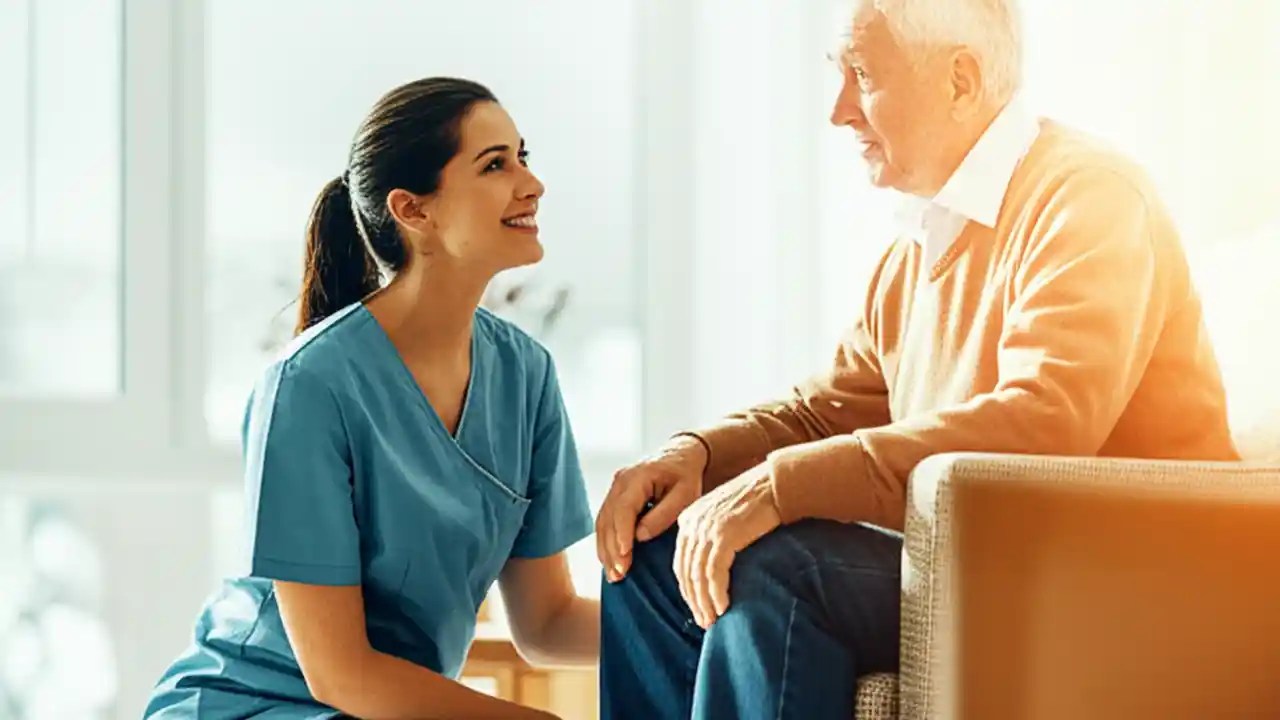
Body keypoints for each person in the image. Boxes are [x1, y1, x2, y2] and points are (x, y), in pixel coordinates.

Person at [593, 0, 1239, 717]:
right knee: (649, 556)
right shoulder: (917, 249)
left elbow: (1045, 423)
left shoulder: (1088, 198)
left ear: (961, 80)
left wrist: (781, 489)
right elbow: (822, 411)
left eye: (862, 75)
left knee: (779, 567)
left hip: (1116, 580)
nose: (839, 111)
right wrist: (699, 458)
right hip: (987, 568)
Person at [144, 77, 596, 720]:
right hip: (255, 706)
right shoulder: (308, 386)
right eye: (495, 165)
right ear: (414, 211)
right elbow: (341, 675)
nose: (531, 183)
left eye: (523, 157)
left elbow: (547, 622)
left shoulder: (526, 374)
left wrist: (710, 631)